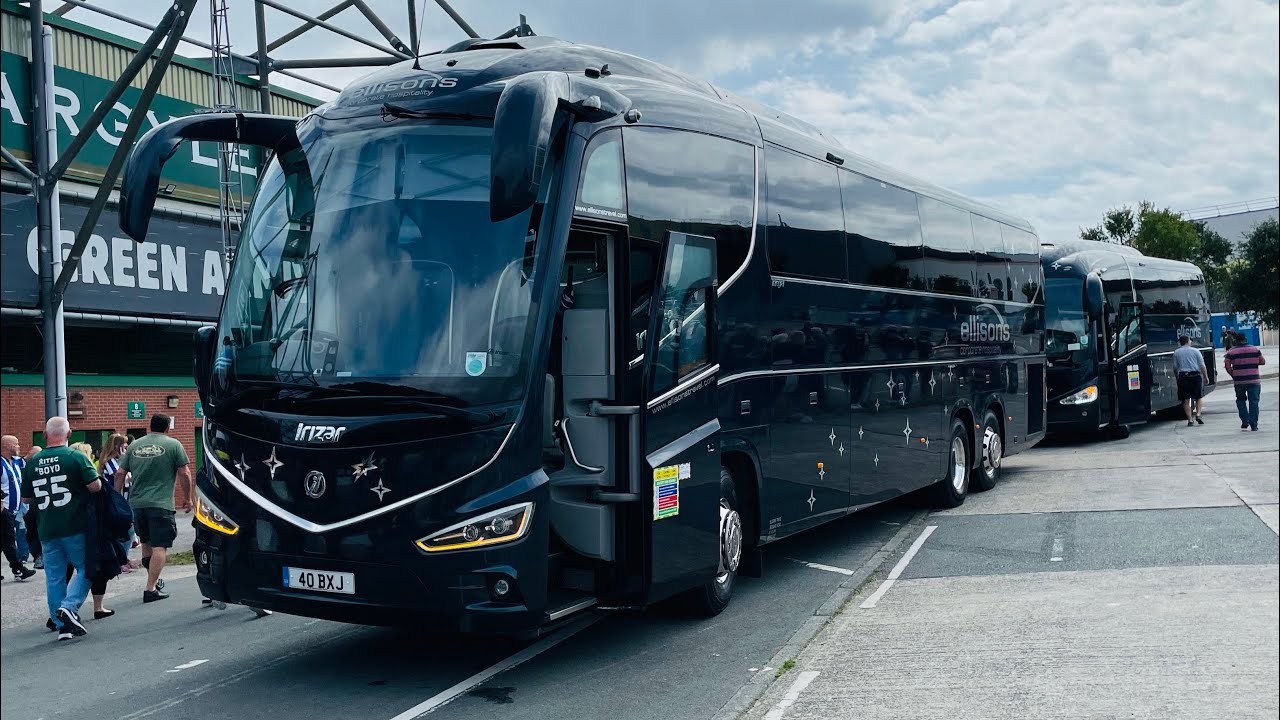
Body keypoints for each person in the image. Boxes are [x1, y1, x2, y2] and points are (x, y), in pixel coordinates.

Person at [21, 417, 103, 640]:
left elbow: (26, 498)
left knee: (54, 576)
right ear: (69, 434)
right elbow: (95, 486)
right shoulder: (75, 457)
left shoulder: (33, 462)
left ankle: (61, 625)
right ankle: (69, 607)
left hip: (47, 527)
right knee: (86, 568)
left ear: (45, 435)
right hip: (75, 524)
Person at [116, 414, 192, 603]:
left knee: (146, 544)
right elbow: (184, 473)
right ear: (167, 428)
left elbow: (120, 473)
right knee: (160, 546)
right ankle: (150, 589)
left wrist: (117, 498)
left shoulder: (134, 446)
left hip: (137, 504)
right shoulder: (173, 445)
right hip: (161, 504)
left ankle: (154, 581)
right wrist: (187, 498)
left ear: (150, 427)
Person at [98, 434, 136, 573]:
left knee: (128, 530)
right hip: (114, 501)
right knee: (126, 530)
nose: (127, 447)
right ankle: (119, 560)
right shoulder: (110, 462)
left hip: (124, 500)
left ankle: (123, 558)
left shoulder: (118, 461)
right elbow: (121, 476)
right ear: (117, 446)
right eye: (124, 445)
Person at [2, 436, 37, 581]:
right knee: (9, 539)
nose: (19, 446)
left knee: (5, 540)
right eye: (16, 444)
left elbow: (33, 453)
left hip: (14, 509)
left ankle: (18, 568)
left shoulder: (15, 462)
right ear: (7, 445)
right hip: (4, 508)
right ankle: (18, 569)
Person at [1224, 331, 1266, 432]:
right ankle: (1254, 425)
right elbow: (1262, 361)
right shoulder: (1255, 349)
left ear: (1235, 340)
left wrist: (1233, 374)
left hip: (1239, 381)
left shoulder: (1231, 352)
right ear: (1245, 339)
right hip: (1254, 380)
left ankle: (1245, 420)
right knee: (1254, 402)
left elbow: (1227, 366)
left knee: (1240, 400)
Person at [1173, 334, 1210, 427]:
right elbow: (1202, 365)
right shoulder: (1196, 351)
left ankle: (1190, 419)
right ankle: (1198, 414)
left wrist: (1177, 378)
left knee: (1185, 400)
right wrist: (1206, 377)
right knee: (1198, 397)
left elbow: (1175, 368)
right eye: (1190, 340)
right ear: (1187, 341)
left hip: (1183, 377)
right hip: (1195, 376)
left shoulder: (1176, 353)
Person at [22, 445, 44, 569]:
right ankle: (37, 555)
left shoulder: (34, 467)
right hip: (34, 504)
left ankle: (39, 555)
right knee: (32, 530)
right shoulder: (27, 467)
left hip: (39, 503)